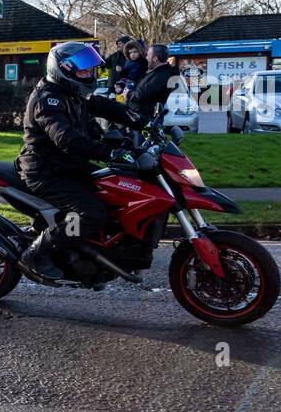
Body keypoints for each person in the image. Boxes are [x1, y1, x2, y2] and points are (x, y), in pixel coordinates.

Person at [15, 41, 146, 281]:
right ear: (64, 69)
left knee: (115, 195)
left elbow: (106, 106)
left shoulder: (74, 94)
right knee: (90, 213)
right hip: (46, 171)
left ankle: (96, 253)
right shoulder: (48, 99)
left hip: (69, 166)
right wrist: (109, 153)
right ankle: (36, 253)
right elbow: (67, 139)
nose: (89, 75)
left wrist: (141, 120)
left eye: (90, 70)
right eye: (83, 70)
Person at [124, 44, 178, 123]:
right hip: (140, 116)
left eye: (148, 55)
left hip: (146, 120)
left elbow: (143, 94)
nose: (146, 58)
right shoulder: (155, 72)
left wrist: (128, 94)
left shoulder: (162, 75)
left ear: (155, 58)